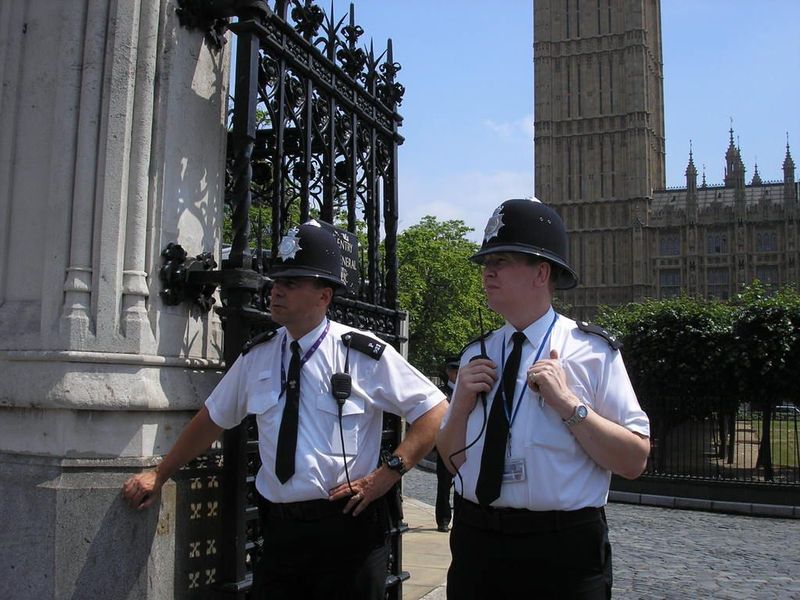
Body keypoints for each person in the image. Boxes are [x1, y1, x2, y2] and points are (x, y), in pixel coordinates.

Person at [122, 220, 447, 600]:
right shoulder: (258, 356)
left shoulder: (360, 353)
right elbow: (212, 418)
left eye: (291, 284)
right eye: (276, 282)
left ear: (324, 296)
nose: (275, 292)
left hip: (348, 530)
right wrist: (160, 474)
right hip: (281, 534)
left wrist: (389, 472)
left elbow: (434, 409)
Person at [436, 199, 650, 600]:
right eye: (486, 262)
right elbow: (450, 460)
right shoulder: (474, 355)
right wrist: (461, 404)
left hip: (561, 552)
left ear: (541, 272)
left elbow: (634, 460)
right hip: (477, 544)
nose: (488, 272)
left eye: (502, 260)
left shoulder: (592, 351)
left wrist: (570, 406)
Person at [435, 357, 459, 532]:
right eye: (454, 370)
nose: (457, 374)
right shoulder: (440, 393)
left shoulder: (467, 390)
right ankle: (443, 519)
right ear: (448, 372)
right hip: (446, 443)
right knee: (444, 485)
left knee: (463, 485)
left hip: (464, 444)